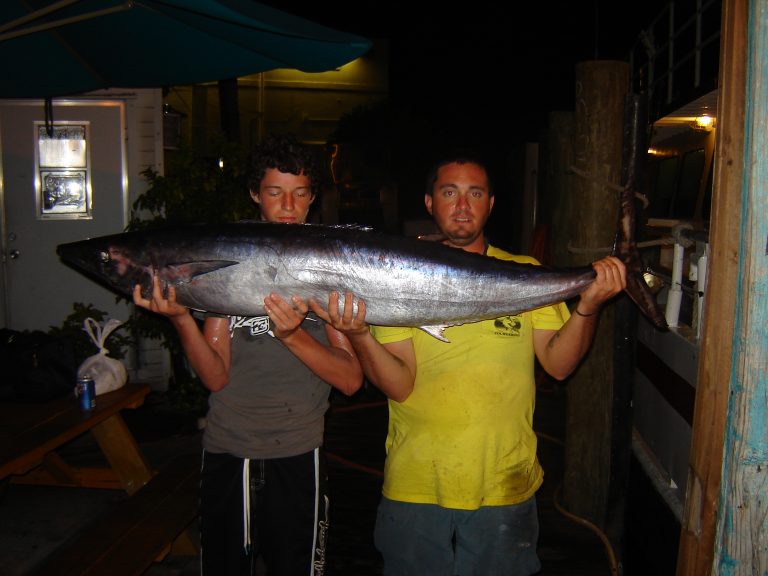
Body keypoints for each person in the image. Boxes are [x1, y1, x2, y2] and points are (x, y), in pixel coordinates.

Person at [310, 152, 627, 576]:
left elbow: (559, 365)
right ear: (429, 203)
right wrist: (359, 333)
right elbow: (400, 385)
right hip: (416, 484)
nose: (462, 206)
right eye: (449, 193)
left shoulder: (526, 272)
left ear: (491, 204)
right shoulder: (391, 277)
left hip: (505, 483)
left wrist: (588, 307)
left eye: (475, 193)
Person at [133, 133, 364, 576]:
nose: (288, 207)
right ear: (255, 194)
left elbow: (351, 380)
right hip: (227, 449)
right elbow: (216, 377)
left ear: (313, 198)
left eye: (300, 195)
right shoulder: (229, 261)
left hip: (299, 451)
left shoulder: (330, 263)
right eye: (275, 194)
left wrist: (293, 336)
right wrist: (182, 318)